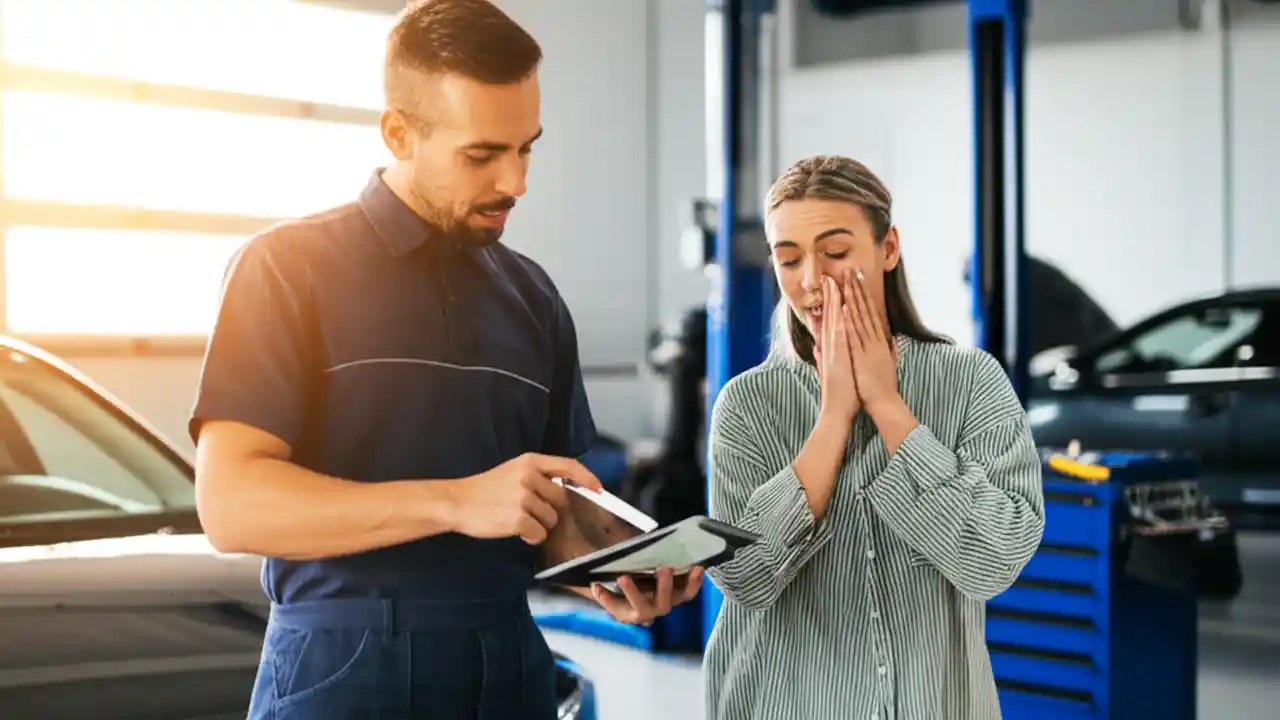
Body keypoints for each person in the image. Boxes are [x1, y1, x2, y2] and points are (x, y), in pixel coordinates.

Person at [189, 1, 701, 717]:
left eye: (527, 148)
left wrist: (609, 567)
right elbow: (231, 506)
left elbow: (543, 512)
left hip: (509, 660)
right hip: (346, 665)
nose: (516, 182)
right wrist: (456, 500)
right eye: (482, 155)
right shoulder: (285, 270)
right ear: (399, 134)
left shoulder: (533, 296)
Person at [702, 155, 1045, 719]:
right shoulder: (748, 404)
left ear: (888, 249)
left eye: (835, 253)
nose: (811, 280)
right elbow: (743, 577)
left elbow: (994, 559)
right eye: (788, 260)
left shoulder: (971, 380)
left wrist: (888, 408)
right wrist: (833, 418)